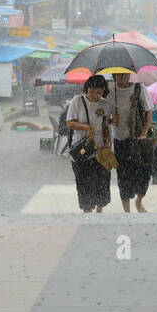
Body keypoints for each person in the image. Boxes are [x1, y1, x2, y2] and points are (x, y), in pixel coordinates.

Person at [64, 74, 112, 213]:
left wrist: (108, 142)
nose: (95, 95)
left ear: (103, 91)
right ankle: (87, 212)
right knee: (84, 183)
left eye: (99, 92)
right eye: (92, 91)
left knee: (101, 182)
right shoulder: (77, 101)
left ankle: (99, 211)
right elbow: (69, 123)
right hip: (82, 150)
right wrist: (86, 128)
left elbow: (104, 126)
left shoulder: (105, 104)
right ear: (86, 89)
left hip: (100, 150)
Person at [106, 70, 153, 212]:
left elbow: (148, 111)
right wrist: (110, 120)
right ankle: (126, 210)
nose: (123, 77)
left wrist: (144, 133)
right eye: (119, 74)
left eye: (125, 74)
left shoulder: (139, 89)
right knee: (123, 176)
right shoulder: (109, 93)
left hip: (139, 139)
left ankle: (139, 201)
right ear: (114, 76)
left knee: (144, 173)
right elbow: (103, 116)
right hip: (120, 140)